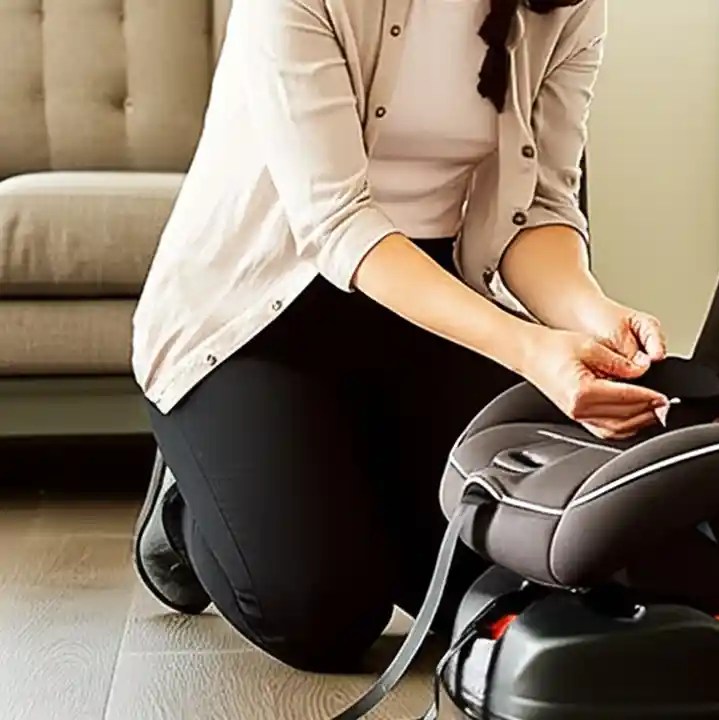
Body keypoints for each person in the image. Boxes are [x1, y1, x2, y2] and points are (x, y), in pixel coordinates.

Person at [129, 0, 669, 674]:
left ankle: (338, 466)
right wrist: (530, 350)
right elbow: (337, 219)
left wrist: (595, 316)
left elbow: (541, 212)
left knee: (511, 590)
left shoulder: (567, 6)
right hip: (254, 321)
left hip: (428, 310)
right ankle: (191, 502)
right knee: (322, 616)